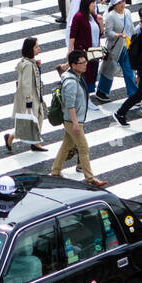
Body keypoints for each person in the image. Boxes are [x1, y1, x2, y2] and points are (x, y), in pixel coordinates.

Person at [51, 50, 106, 186]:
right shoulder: (71, 82)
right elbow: (70, 105)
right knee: (83, 148)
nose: (85, 65)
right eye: (82, 63)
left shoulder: (76, 76)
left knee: (66, 146)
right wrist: (75, 124)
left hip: (74, 119)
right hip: (72, 120)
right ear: (74, 65)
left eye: (85, 62)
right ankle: (90, 179)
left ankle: (55, 171)